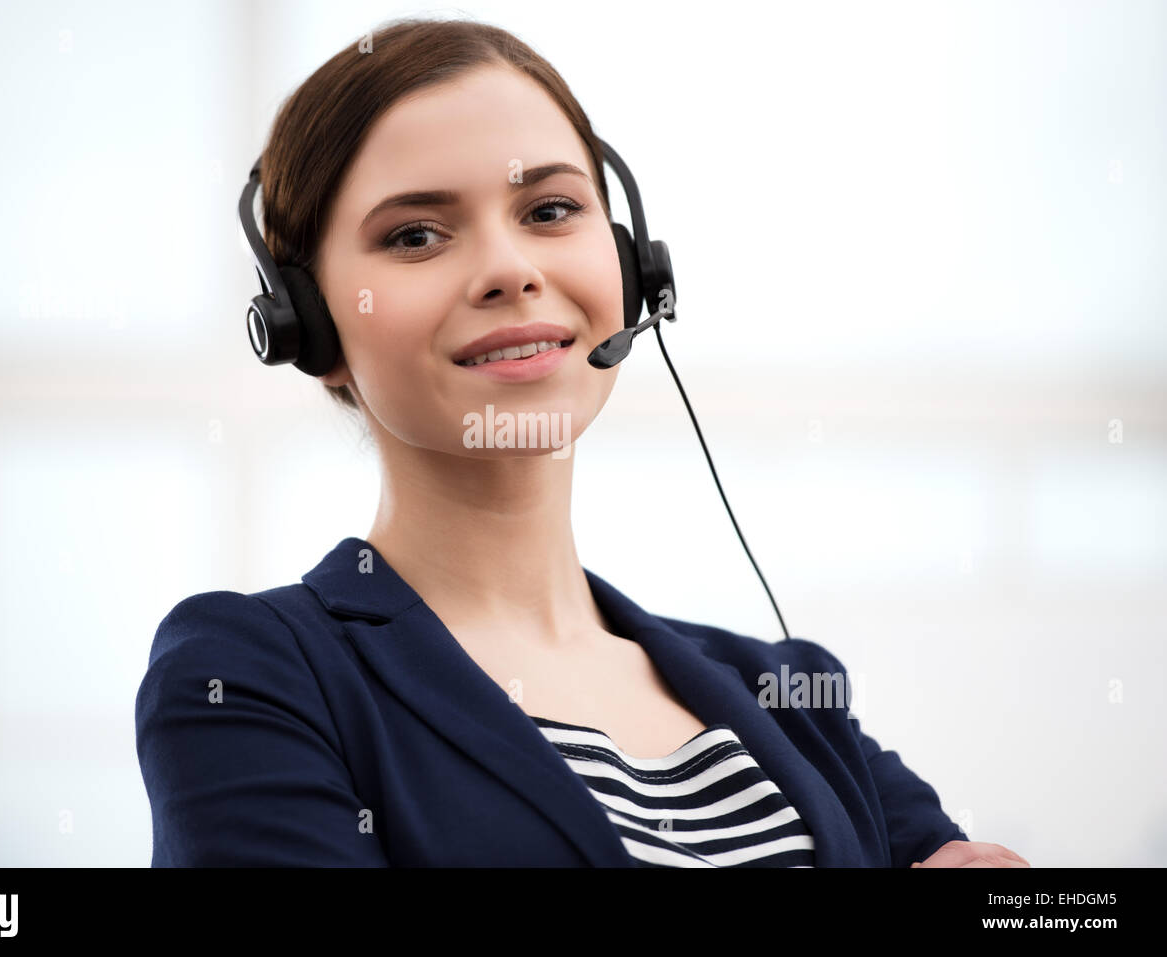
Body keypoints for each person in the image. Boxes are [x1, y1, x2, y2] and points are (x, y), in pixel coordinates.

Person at [134, 15, 1029, 869]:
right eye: (416, 234)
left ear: (634, 268)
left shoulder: (788, 691)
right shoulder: (250, 674)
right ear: (308, 325)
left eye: (551, 210)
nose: (509, 269)